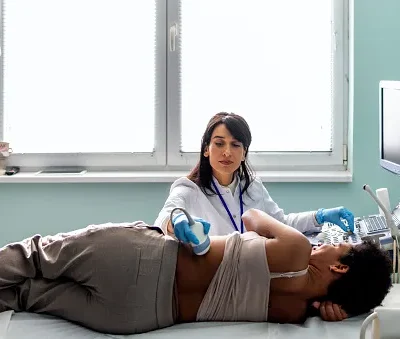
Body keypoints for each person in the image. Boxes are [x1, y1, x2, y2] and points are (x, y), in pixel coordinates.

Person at [0, 209, 391, 335]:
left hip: (142, 261)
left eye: (339, 244)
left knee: (31, 257)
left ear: (340, 265)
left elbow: (250, 216)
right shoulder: (295, 313)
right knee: (24, 296)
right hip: (136, 317)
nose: (325, 241)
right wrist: (328, 306)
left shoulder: (297, 249)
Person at [154, 112, 355, 320]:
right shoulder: (189, 188)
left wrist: (319, 216)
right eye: (219, 143)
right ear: (206, 149)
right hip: (212, 278)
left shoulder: (252, 187)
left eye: (235, 145)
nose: (227, 153)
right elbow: (165, 217)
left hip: (255, 279)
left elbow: (282, 223)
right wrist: (175, 222)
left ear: (244, 152)